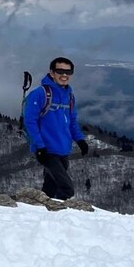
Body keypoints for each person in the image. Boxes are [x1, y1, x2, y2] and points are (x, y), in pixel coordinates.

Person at [23, 56, 89, 200]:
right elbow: (30, 122)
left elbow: (72, 121)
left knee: (50, 188)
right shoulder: (40, 94)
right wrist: (40, 147)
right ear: (52, 73)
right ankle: (59, 210)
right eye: (60, 71)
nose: (64, 75)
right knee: (66, 189)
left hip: (63, 149)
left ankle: (41, 209)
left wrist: (80, 140)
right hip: (46, 150)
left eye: (68, 72)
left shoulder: (69, 97)